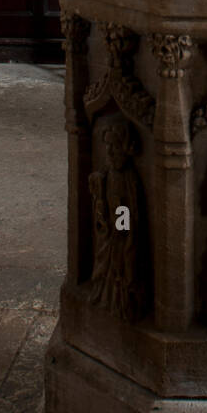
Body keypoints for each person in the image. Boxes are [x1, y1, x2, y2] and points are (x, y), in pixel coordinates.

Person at [89, 119, 148, 321]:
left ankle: (122, 305)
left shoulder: (127, 178)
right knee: (106, 269)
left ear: (126, 148)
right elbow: (104, 198)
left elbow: (127, 207)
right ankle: (107, 300)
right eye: (108, 147)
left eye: (115, 146)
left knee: (121, 271)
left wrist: (121, 227)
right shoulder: (110, 174)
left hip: (122, 235)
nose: (110, 152)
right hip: (111, 233)